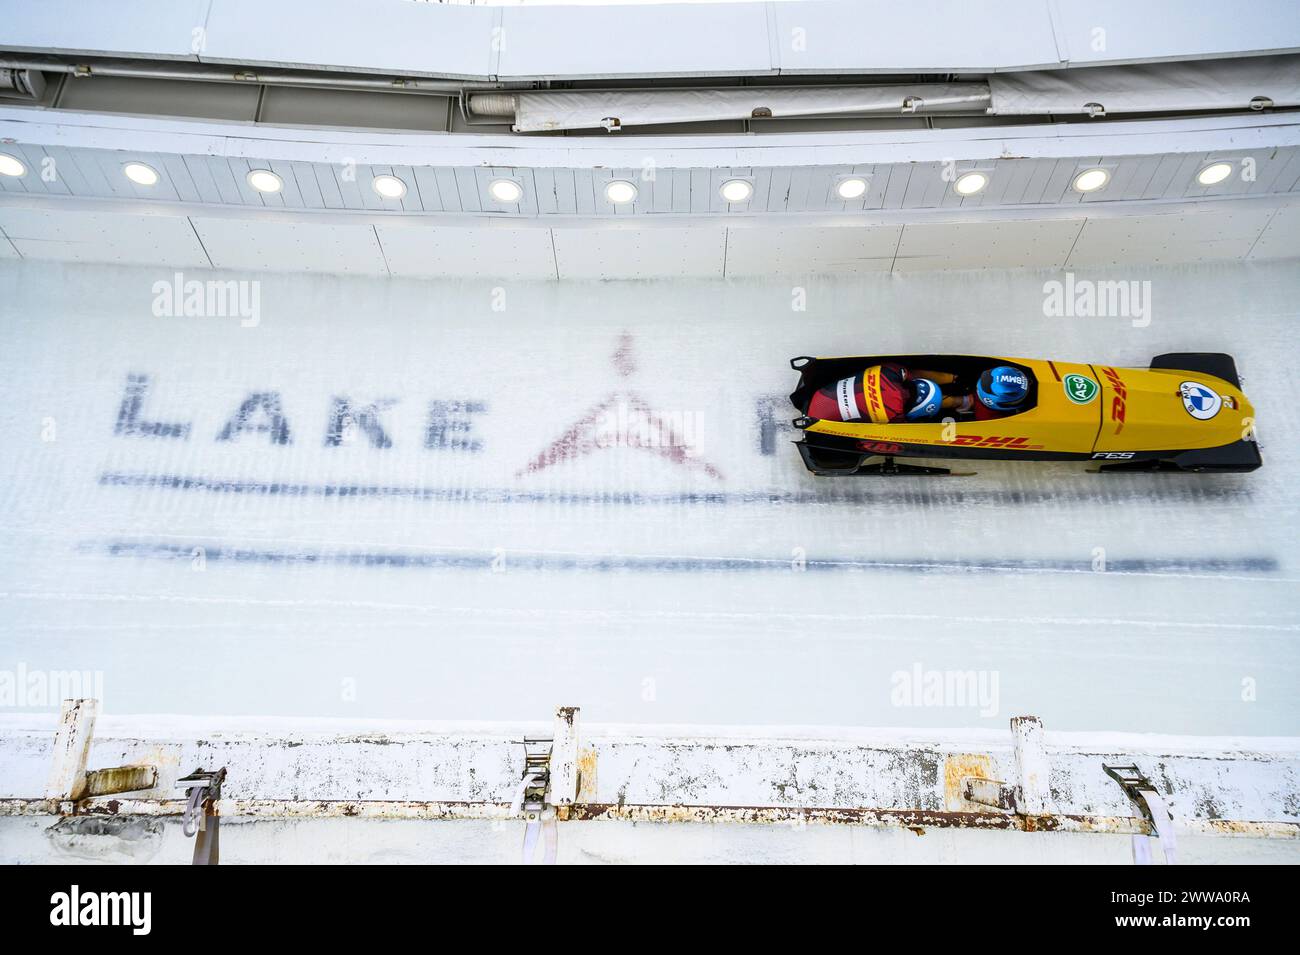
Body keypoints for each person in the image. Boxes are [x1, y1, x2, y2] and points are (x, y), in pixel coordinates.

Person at [807, 362, 1029, 423]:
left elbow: (915, 373)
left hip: (822, 394)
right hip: (820, 416)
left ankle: (962, 400)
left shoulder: (891, 373)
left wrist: (955, 379)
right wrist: (955, 378)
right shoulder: (894, 413)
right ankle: (962, 400)